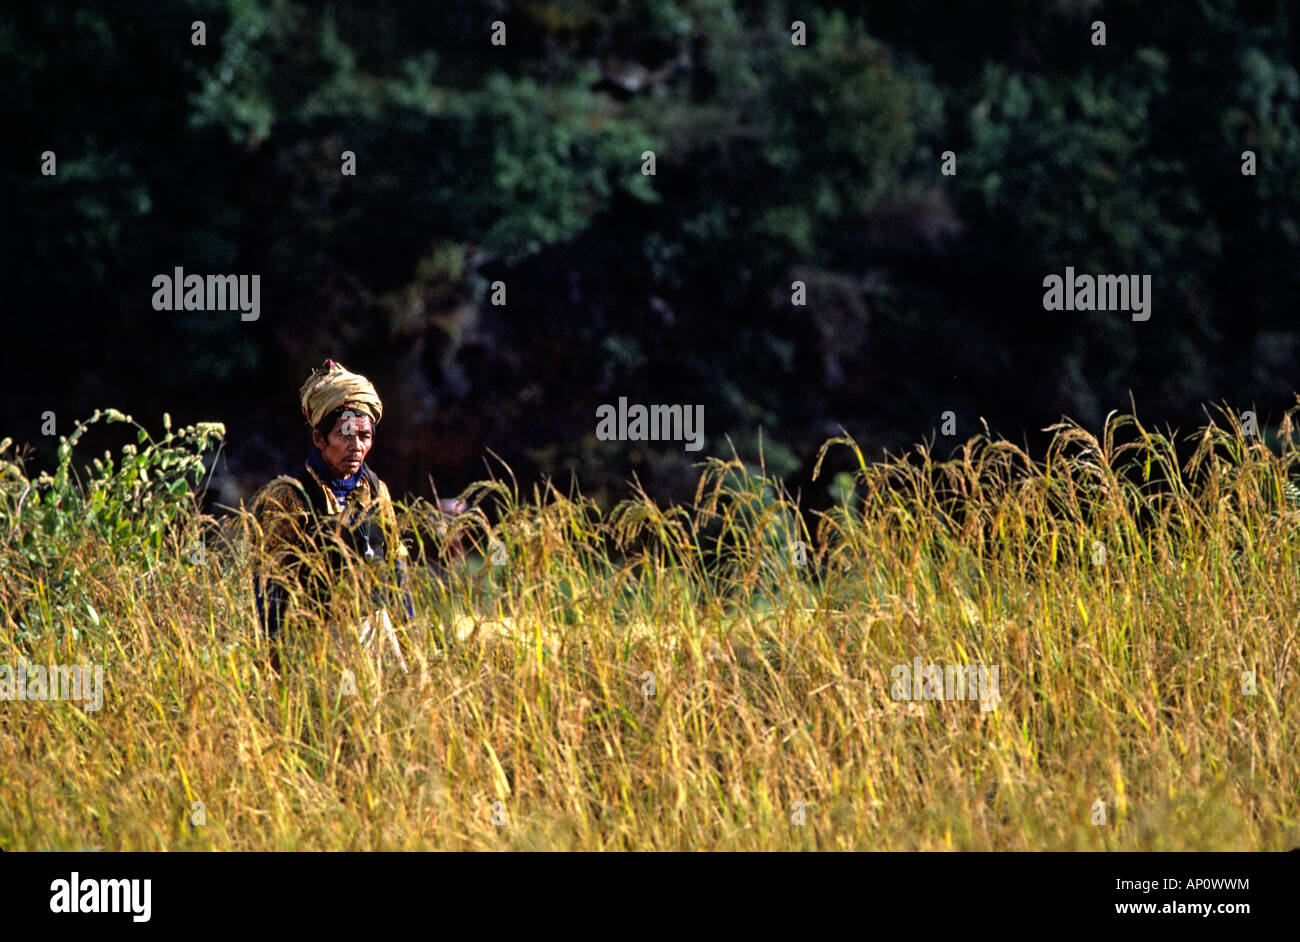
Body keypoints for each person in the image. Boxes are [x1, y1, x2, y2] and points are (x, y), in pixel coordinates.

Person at [250, 359, 414, 671]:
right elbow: (270, 582)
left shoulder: (376, 491)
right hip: (318, 640)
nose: (356, 446)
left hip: (376, 629)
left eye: (364, 436)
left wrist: (408, 633)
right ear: (319, 439)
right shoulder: (291, 496)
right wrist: (273, 654)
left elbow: (396, 566)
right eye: (345, 435)